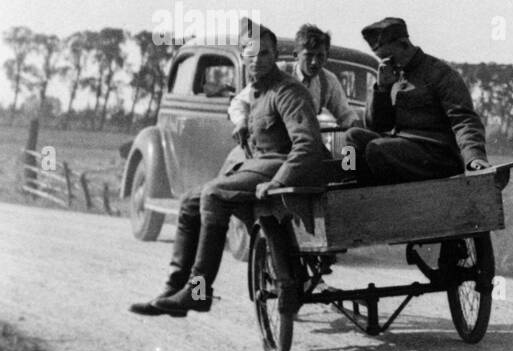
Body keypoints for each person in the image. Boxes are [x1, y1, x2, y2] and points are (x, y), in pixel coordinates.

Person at [129, 20, 328, 317]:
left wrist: (279, 181)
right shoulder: (257, 93)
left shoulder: (288, 91)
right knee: (189, 202)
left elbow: (307, 145)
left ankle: (199, 292)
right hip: (261, 164)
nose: (256, 60)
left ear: (275, 56)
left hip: (282, 167)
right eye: (250, 53)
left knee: (212, 194)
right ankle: (173, 289)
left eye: (264, 54)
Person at [343, 17, 489, 184]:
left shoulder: (440, 73)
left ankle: (383, 198)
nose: (385, 64)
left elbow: (464, 120)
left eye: (388, 57)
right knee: (351, 138)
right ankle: (349, 182)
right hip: (402, 151)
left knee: (376, 150)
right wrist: (382, 90)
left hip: (437, 156)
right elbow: (377, 126)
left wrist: (474, 158)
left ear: (404, 44)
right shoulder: (393, 76)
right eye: (380, 59)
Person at [229, 23, 360, 141]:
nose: (314, 62)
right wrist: (242, 121)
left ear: (327, 57)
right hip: (273, 142)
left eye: (320, 56)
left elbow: (345, 113)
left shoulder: (328, 80)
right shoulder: (277, 72)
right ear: (296, 55)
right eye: (308, 55)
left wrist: (355, 126)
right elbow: (239, 102)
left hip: (305, 142)